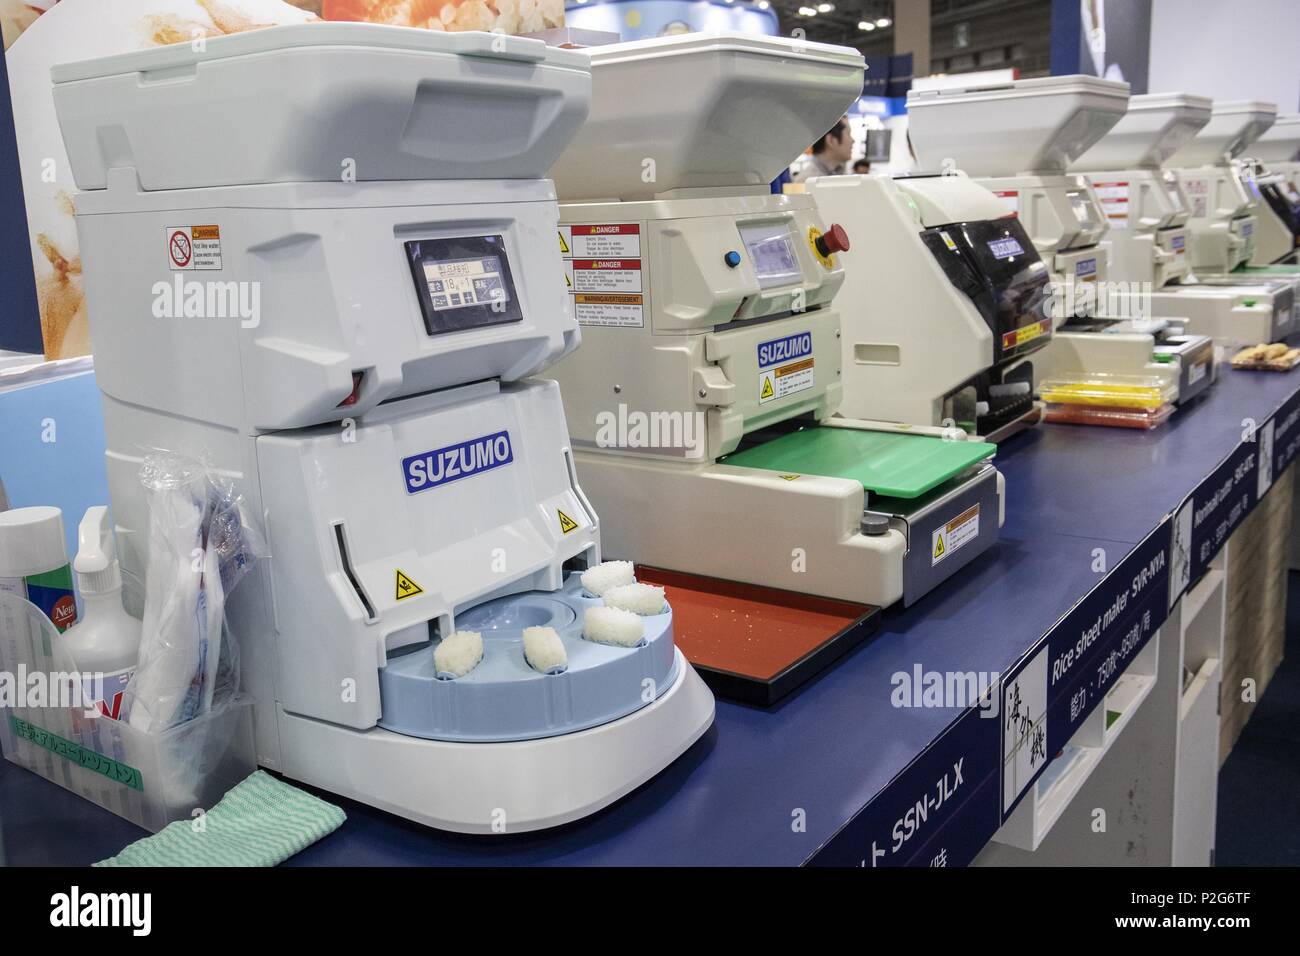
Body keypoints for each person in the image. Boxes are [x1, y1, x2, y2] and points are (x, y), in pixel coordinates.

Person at [789, 117, 854, 181]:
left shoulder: (844, 175)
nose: (853, 140)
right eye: (848, 133)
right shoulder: (805, 183)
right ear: (831, 140)